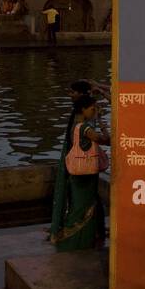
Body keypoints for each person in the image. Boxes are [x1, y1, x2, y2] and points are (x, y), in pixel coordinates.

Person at [49, 93, 110, 251]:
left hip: (77, 176)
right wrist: (101, 121)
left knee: (78, 208)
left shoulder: (74, 126)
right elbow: (106, 140)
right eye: (92, 108)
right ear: (83, 109)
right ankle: (78, 242)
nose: (94, 111)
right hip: (86, 177)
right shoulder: (85, 128)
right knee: (83, 208)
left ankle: (74, 239)